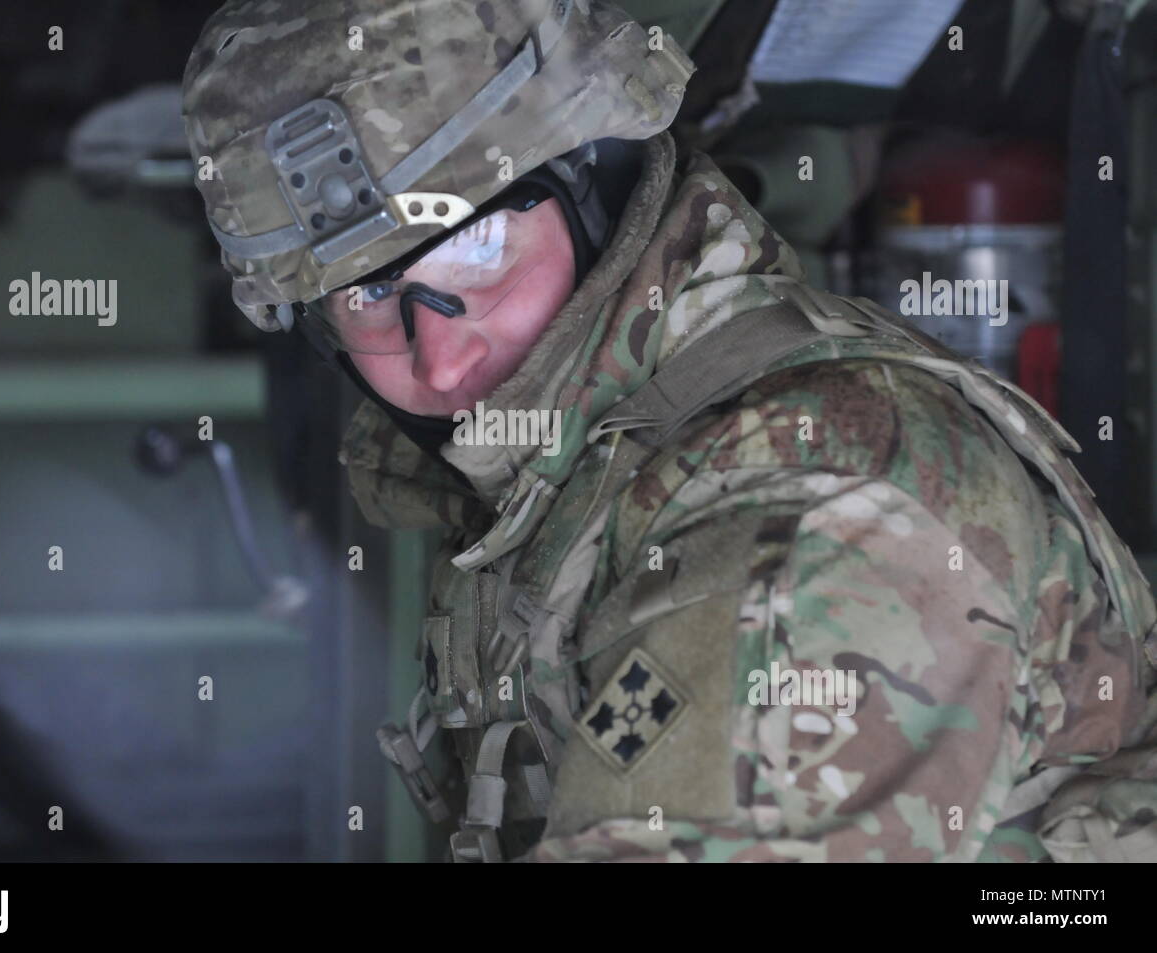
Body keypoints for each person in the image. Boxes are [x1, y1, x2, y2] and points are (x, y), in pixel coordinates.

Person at [182, 0, 1157, 862]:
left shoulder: (812, 516)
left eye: (476, 244)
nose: (437, 361)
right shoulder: (589, 449)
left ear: (598, 186)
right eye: (367, 294)